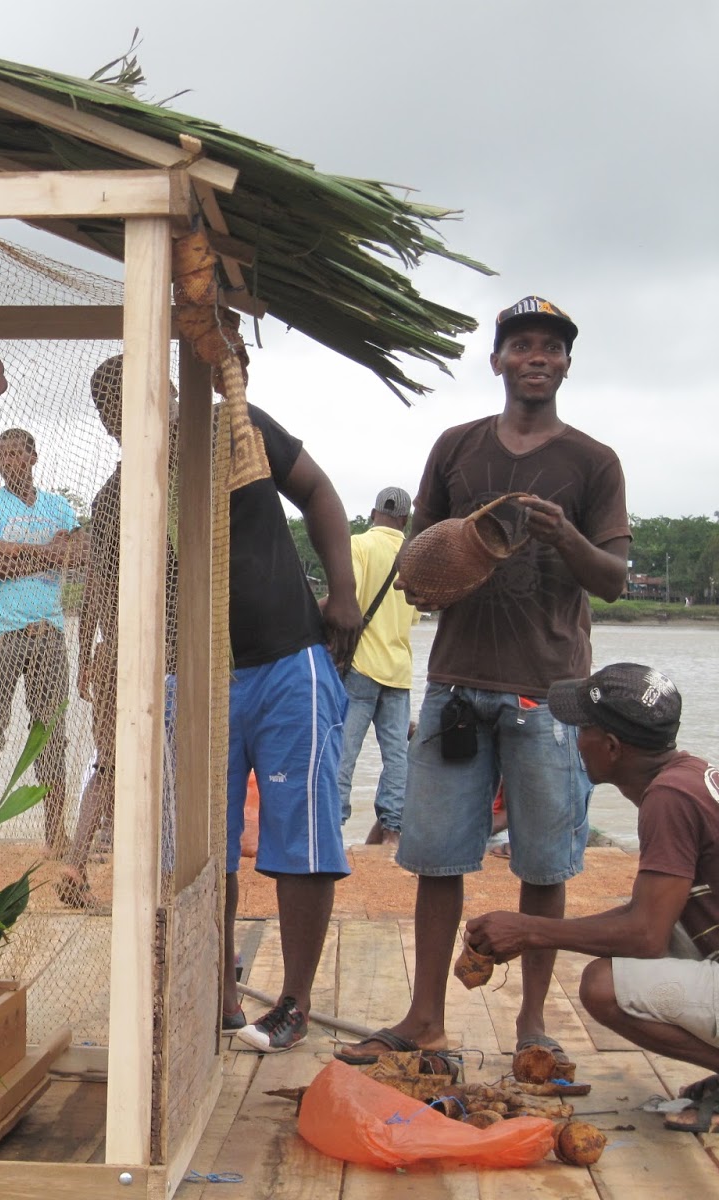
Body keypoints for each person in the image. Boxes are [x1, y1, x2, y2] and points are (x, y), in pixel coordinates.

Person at [339, 296, 631, 1069]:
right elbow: (418, 553)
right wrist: (429, 577)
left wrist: (561, 532)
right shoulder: (457, 447)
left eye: (551, 348)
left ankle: (533, 1022)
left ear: (566, 364)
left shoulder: (592, 462)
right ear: (497, 360)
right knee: (436, 858)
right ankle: (424, 1015)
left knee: (543, 866)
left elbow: (614, 581)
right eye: (522, 345)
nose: (537, 357)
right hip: (458, 685)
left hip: (551, 691)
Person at [464, 663, 719, 1134]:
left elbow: (644, 935)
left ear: (612, 748)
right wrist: (532, 931)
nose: (574, 738)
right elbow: (650, 918)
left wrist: (528, 929)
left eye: (583, 728)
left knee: (602, 985)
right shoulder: (691, 775)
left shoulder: (669, 799)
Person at [223, 400, 362, 1052]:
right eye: (108, 414)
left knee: (303, 835)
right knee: (202, 844)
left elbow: (317, 490)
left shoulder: (238, 426)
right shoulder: (133, 472)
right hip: (199, 672)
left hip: (288, 660)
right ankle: (219, 990)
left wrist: (344, 591)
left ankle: (294, 1003)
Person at [59, 356, 179, 906]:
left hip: (118, 649)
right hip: (168, 652)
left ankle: (77, 866)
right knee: (164, 769)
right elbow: (100, 583)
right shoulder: (165, 474)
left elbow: (96, 588)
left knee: (107, 763)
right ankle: (161, 883)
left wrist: (93, 652)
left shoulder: (111, 493)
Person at [0, 428, 86, 855]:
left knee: (51, 732)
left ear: (33, 457)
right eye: (0, 454)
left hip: (49, 632)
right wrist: (44, 553)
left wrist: (18, 552)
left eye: (15, 453)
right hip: (0, 634)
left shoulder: (57, 505)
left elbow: (80, 552)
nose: (6, 461)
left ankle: (55, 833)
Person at [333, 486, 419, 847]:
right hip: (398, 670)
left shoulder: (358, 545)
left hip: (362, 668)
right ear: (405, 520)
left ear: (372, 514)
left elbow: (345, 601)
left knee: (344, 751)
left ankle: (333, 825)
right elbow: (413, 617)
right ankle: (393, 832)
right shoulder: (414, 555)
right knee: (397, 755)